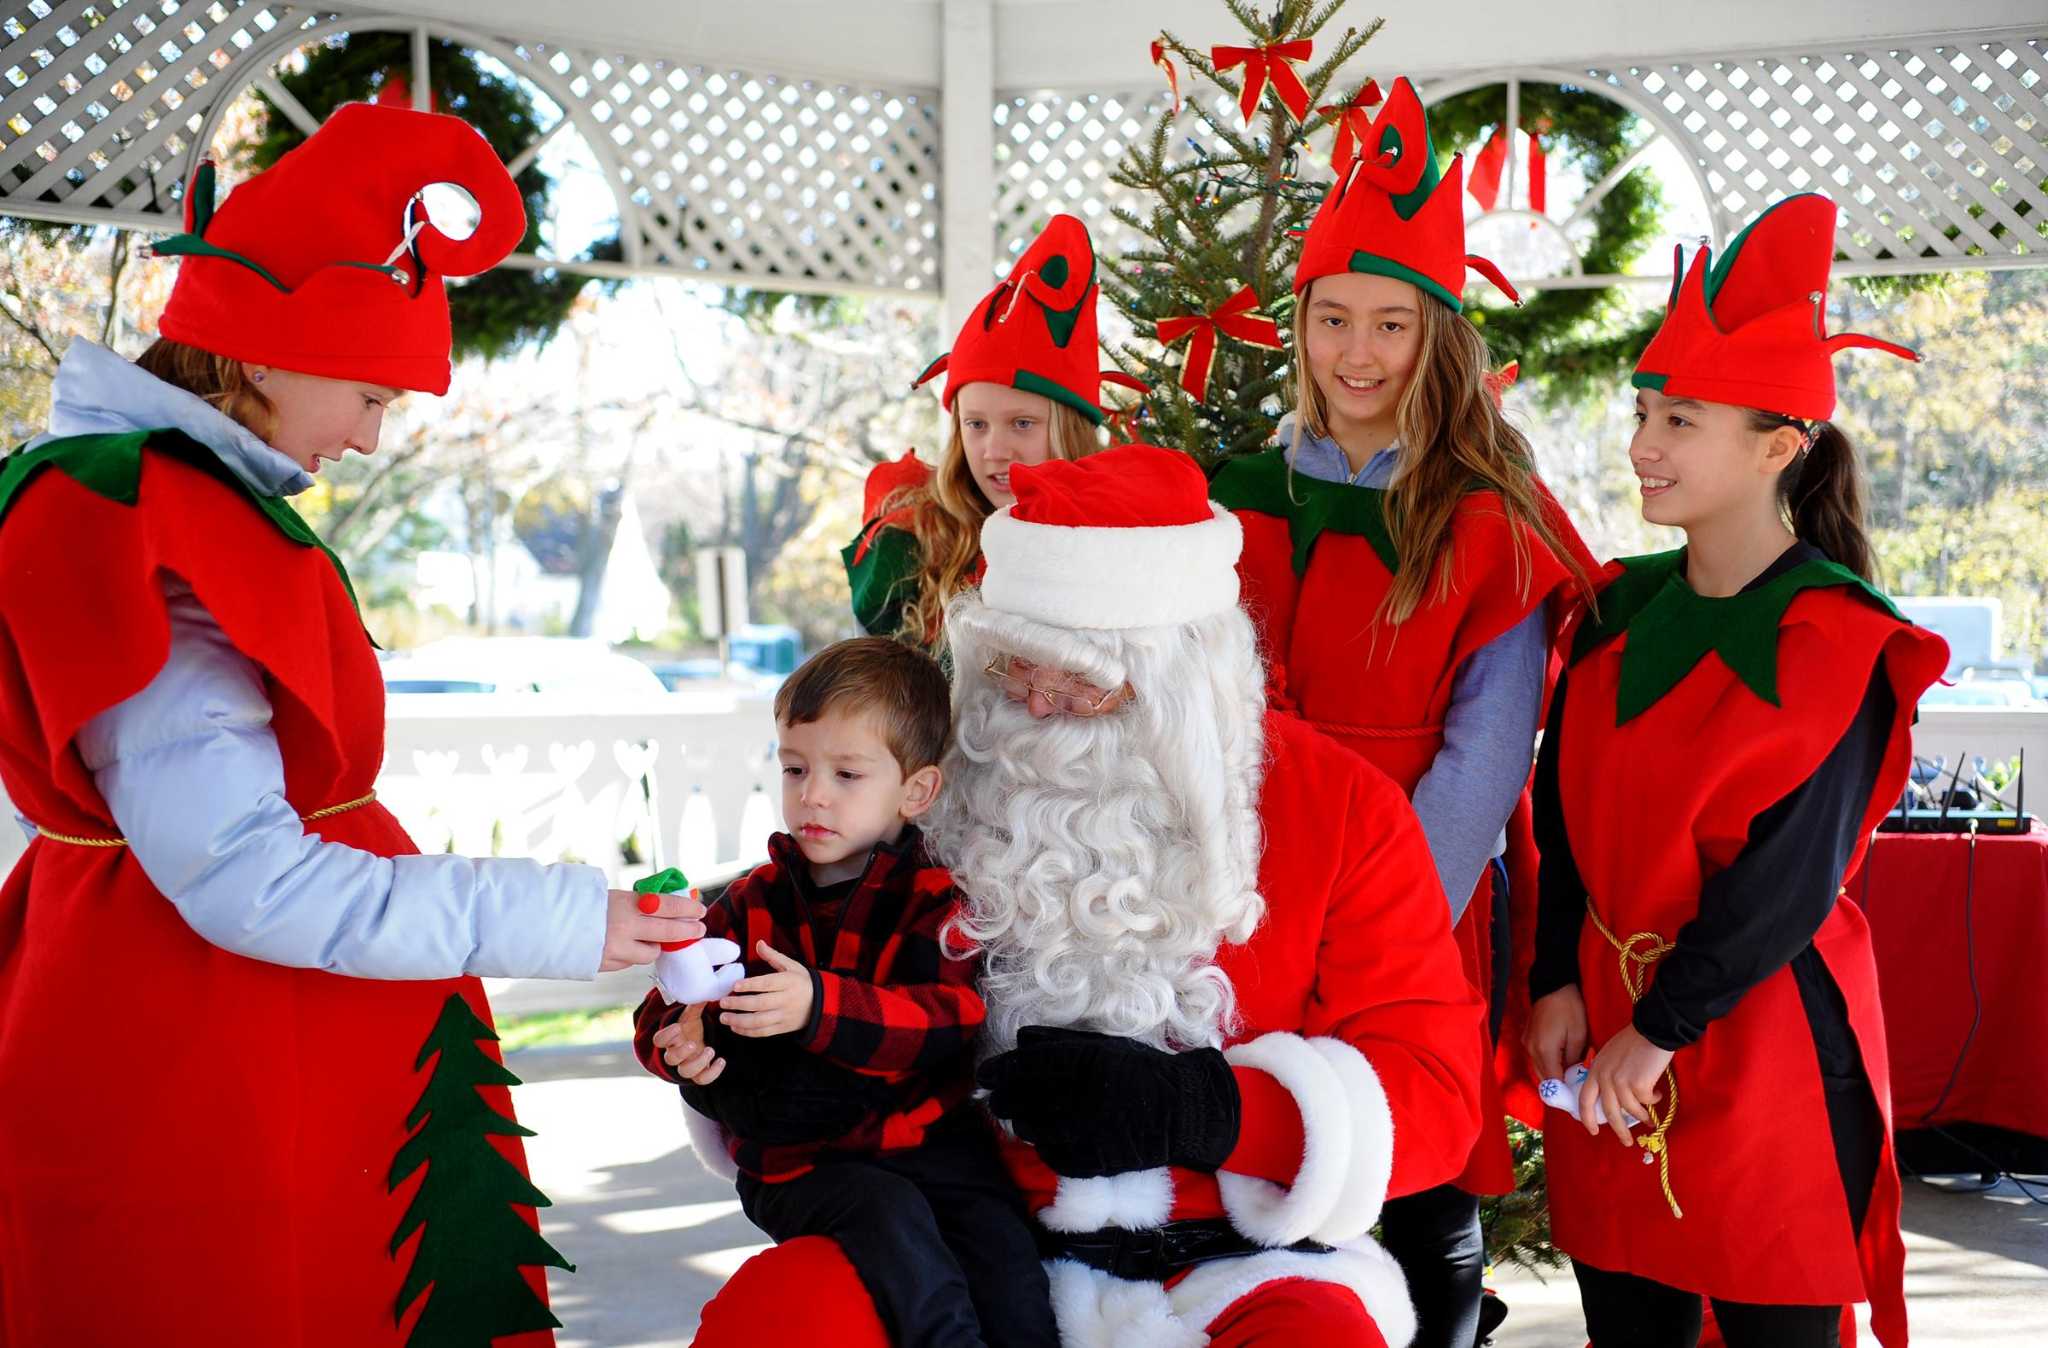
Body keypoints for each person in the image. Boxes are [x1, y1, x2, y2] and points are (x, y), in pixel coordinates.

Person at [0, 103, 702, 1346]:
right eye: (372, 393)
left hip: (198, 1026)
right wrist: (561, 916)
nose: (372, 437)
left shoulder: (152, 496)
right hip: (203, 1052)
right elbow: (245, 877)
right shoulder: (156, 527)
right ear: (265, 355)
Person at [686, 443, 1487, 1348]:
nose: (1039, 703)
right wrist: (746, 1061)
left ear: (1182, 676)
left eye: (1082, 679)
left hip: (1235, 1263)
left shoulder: (1336, 807)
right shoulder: (934, 783)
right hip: (955, 1240)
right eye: (1012, 668)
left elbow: (1435, 1095)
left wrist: (1204, 1111)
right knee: (781, 1317)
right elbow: (798, 937)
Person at [1207, 74, 1597, 1347]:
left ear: (1439, 336)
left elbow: (1486, 756)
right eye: (1331, 320)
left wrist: (1368, 924)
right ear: (1298, 323)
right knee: (1264, 1152)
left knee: (1412, 1161)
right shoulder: (1242, 498)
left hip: (1410, 895)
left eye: (1390, 324)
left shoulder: (1486, 515)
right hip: (1250, 886)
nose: (1357, 355)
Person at [1524, 192, 1947, 1348]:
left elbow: (1788, 878)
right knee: (1628, 1307)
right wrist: (1557, 975)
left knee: (1773, 1308)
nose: (1642, 446)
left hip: (1757, 1035)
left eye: (1680, 421)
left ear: (1775, 447)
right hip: (1608, 1014)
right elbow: (1555, 813)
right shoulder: (1613, 613)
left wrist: (1658, 1026)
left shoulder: (1839, 637)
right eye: (1645, 413)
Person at [633, 637, 1057, 1348]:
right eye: (795, 769)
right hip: (801, 1161)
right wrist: (677, 1040)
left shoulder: (935, 900)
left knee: (1007, 1263)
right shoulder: (751, 901)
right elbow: (665, 1002)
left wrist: (819, 1007)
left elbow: (946, 1019)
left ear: (915, 791)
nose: (813, 795)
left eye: (847, 773)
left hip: (929, 1143)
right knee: (890, 1225)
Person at [842, 212, 1139, 652]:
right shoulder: (911, 549)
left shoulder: (1124, 547)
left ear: (1071, 431)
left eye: (1022, 423)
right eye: (976, 425)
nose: (994, 450)